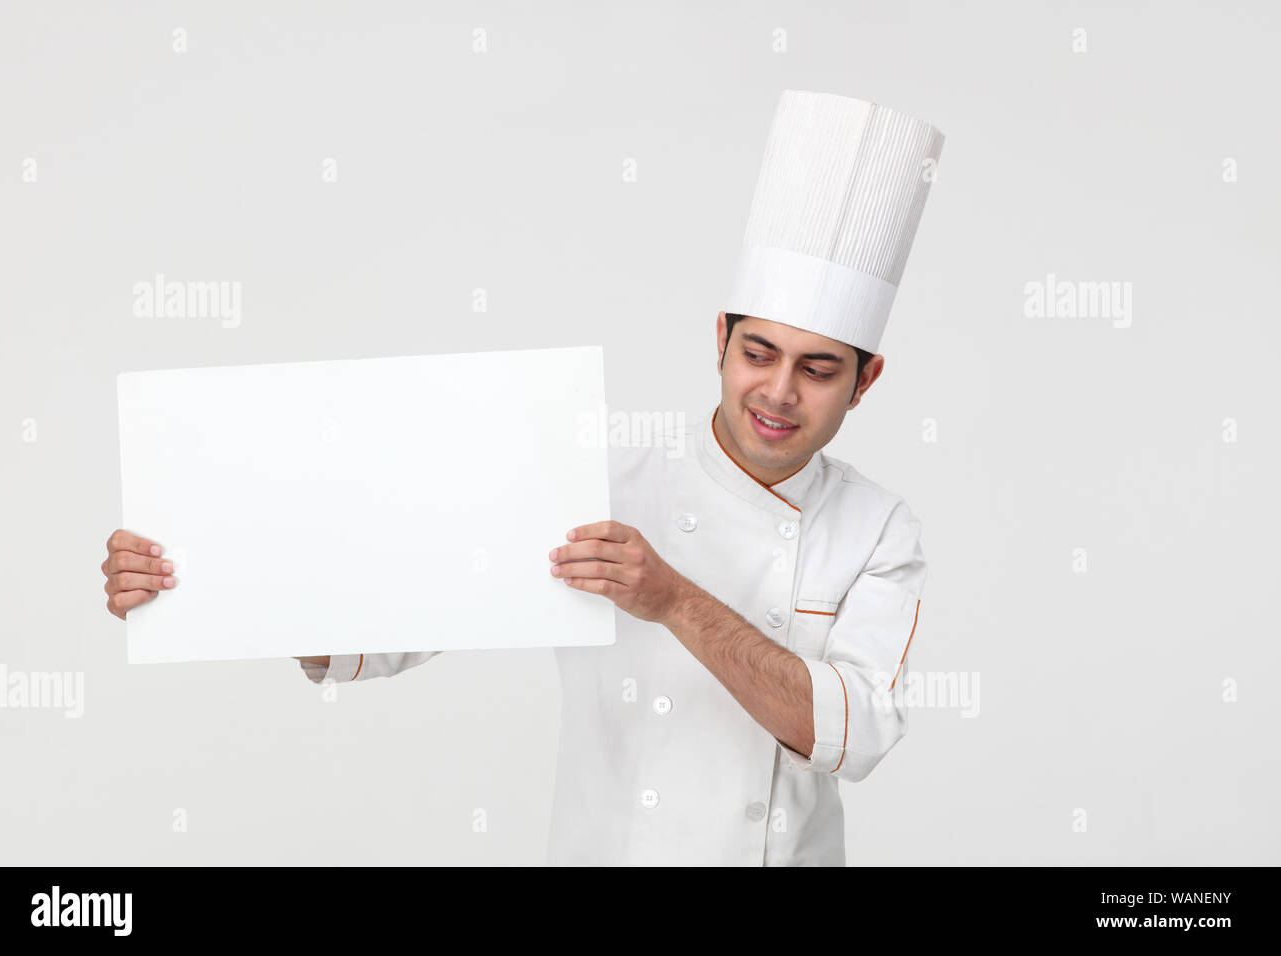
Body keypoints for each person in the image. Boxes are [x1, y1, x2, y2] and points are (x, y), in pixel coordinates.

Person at [102, 90, 945, 865]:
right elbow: (398, 617)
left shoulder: (877, 528)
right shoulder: (600, 475)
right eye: (758, 353)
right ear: (720, 338)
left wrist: (674, 600)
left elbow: (856, 733)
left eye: (819, 368)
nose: (778, 392)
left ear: (864, 382)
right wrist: (201, 575)